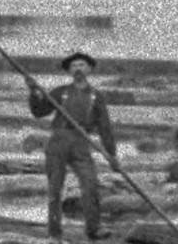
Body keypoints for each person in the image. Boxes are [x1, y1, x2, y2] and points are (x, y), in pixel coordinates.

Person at [27, 51, 119, 241]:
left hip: (81, 142)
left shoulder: (96, 96)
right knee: (55, 189)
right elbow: (39, 112)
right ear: (69, 70)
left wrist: (112, 154)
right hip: (59, 141)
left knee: (91, 185)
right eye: (75, 66)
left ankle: (93, 229)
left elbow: (105, 127)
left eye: (82, 65)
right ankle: (54, 233)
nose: (78, 69)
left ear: (90, 69)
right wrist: (34, 93)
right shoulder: (60, 92)